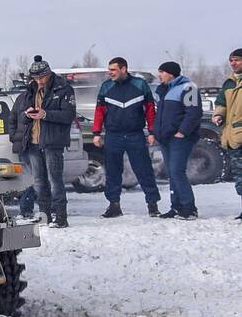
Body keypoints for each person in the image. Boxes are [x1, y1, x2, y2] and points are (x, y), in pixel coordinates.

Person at [92, 56, 160, 218]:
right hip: (113, 135)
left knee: (144, 170)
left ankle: (152, 204)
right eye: (109, 70)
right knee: (113, 172)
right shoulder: (106, 86)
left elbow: (150, 110)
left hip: (135, 135)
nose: (110, 73)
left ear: (124, 69)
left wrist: (152, 132)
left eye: (113, 70)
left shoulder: (140, 85)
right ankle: (114, 205)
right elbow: (99, 111)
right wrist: (96, 133)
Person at [21, 55, 76, 228]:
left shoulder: (64, 89)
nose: (39, 81)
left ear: (49, 73)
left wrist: (46, 114)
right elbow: (19, 115)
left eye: (42, 77)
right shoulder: (30, 90)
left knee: (55, 180)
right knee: (38, 181)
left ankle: (61, 217)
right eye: (36, 78)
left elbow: (69, 115)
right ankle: (44, 215)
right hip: (33, 142)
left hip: (53, 142)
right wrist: (27, 114)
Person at [153, 61, 202, 220]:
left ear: (171, 73)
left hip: (180, 138)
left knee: (177, 171)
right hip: (166, 138)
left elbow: (193, 112)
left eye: (162, 72)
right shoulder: (165, 90)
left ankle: (189, 208)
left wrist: (182, 131)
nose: (159, 75)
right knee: (172, 173)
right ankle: (176, 207)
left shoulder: (188, 87)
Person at [213, 48, 242, 220]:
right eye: (231, 60)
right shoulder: (229, 83)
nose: (233, 63)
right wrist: (218, 115)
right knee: (239, 174)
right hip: (233, 136)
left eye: (237, 60)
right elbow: (221, 103)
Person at [7, 86, 37, 219]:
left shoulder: (45, 97)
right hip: (24, 145)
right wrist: (14, 136)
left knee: (40, 178)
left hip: (39, 143)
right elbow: (12, 119)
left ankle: (48, 209)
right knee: (29, 178)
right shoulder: (21, 98)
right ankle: (26, 208)